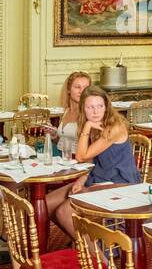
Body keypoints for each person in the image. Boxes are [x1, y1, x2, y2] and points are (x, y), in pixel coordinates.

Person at [45, 85, 139, 240]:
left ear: (106, 107)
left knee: (63, 212)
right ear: (83, 108)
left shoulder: (114, 127)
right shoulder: (93, 125)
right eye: (90, 107)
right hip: (97, 178)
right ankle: (89, 242)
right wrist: (81, 180)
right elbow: (90, 161)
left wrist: (87, 126)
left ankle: (100, 260)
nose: (95, 112)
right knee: (46, 204)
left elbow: (81, 156)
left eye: (99, 106)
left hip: (120, 182)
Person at [42, 71, 91, 157]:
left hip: (78, 161)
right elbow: (63, 141)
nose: (82, 91)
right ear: (68, 89)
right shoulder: (66, 110)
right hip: (60, 158)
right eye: (77, 87)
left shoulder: (90, 113)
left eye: (86, 88)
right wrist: (54, 134)